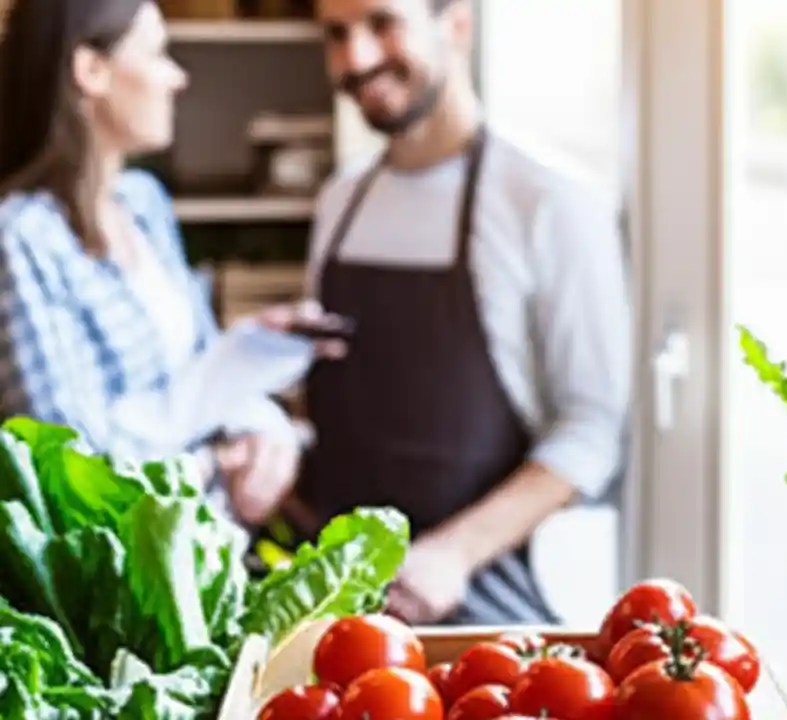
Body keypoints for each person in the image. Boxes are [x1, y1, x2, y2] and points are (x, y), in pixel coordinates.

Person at [290, 0, 632, 625]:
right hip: (339, 609)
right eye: (336, 34)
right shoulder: (340, 201)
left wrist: (452, 552)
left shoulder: (549, 201)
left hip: (486, 600)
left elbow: (592, 428)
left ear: (457, 25)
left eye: (382, 23)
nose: (356, 58)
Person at [0, 0, 339, 523]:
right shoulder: (23, 238)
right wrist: (214, 463)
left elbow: (198, 369)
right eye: (158, 54)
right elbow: (70, 474)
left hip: (204, 550)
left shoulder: (143, 203)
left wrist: (257, 420)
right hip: (115, 583)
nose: (176, 78)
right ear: (91, 71)